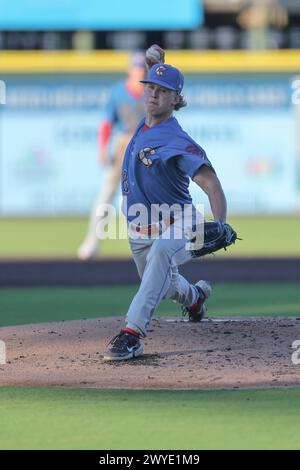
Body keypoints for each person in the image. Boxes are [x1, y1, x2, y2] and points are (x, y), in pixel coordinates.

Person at [104, 55, 228, 361]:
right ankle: (195, 298)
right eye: (150, 87)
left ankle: (132, 334)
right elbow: (156, 79)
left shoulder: (176, 139)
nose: (153, 93)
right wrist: (157, 64)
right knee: (161, 281)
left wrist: (221, 223)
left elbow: (211, 183)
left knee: (162, 254)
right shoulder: (144, 125)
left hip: (180, 222)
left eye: (162, 90)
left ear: (176, 99)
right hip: (138, 226)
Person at [77, 51, 147, 260]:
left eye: (141, 68)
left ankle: (150, 246)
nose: (138, 71)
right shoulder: (118, 92)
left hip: (146, 145)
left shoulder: (152, 91)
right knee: (106, 194)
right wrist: (103, 149)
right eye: (135, 68)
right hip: (123, 143)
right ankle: (91, 242)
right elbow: (107, 122)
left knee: (149, 197)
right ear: (129, 69)